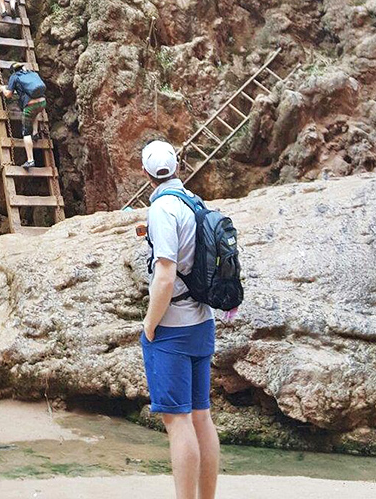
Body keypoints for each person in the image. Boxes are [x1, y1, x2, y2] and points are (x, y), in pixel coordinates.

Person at [140, 140, 219, 499]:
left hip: (173, 329)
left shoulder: (162, 210)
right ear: (177, 167)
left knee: (178, 421)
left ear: (146, 173)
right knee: (202, 416)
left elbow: (166, 276)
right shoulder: (195, 202)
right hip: (203, 323)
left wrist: (150, 324)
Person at [7, 62, 47, 169]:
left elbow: (8, 94)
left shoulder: (14, 76)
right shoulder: (32, 73)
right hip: (42, 102)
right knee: (36, 112)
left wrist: (3, 89)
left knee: (26, 133)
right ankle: (35, 132)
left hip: (30, 106)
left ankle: (30, 160)